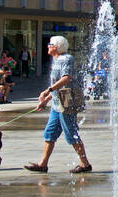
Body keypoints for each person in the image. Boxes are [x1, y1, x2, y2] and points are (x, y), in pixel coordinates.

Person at [24, 36, 92, 174]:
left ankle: (85, 164)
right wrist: (47, 99)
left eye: (50, 44)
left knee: (70, 133)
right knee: (50, 133)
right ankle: (43, 164)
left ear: (57, 46)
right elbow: (57, 86)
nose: (48, 46)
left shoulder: (67, 59)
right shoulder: (56, 61)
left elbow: (66, 78)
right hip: (56, 103)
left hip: (67, 102)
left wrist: (47, 91)